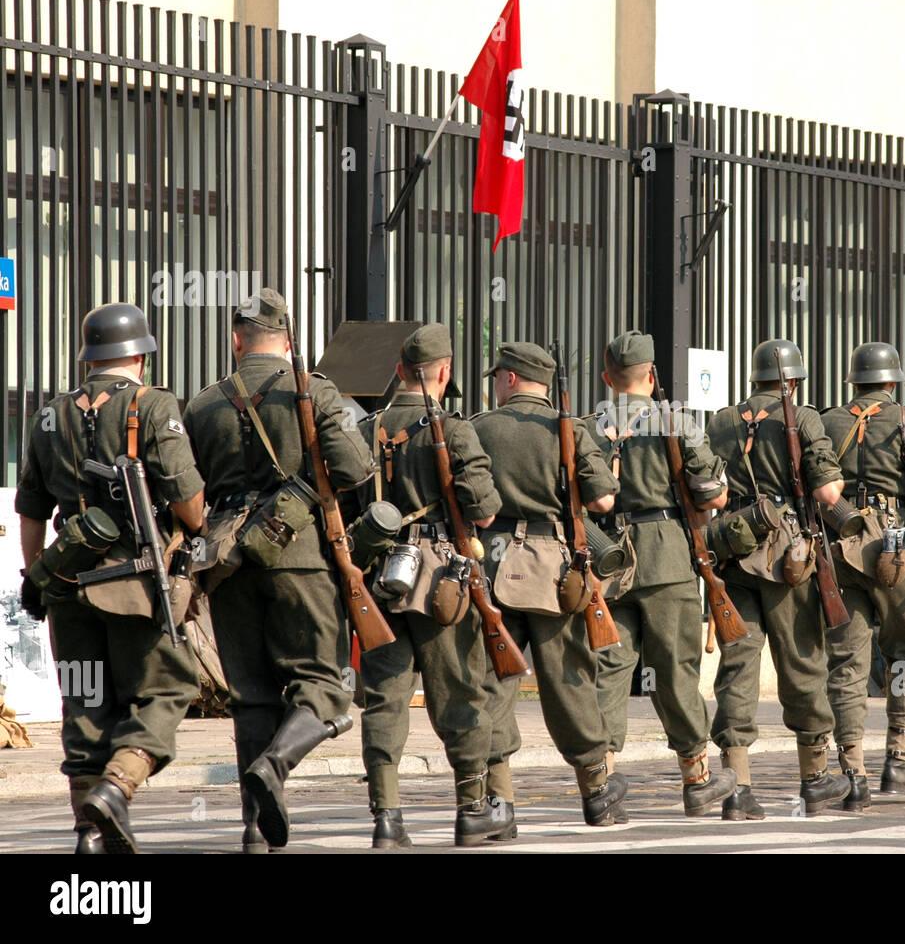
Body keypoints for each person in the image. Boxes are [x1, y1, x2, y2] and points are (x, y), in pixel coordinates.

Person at [183, 289, 374, 851]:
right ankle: (274, 766)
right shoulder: (312, 390)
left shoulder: (201, 404)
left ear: (237, 340)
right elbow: (356, 467)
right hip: (301, 559)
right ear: (288, 340)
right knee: (322, 687)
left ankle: (252, 830)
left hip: (228, 562)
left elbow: (186, 488)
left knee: (252, 695)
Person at [16, 303, 205, 853]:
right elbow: (187, 498)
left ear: (89, 357)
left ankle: (87, 835)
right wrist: (194, 522)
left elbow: (30, 511)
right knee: (166, 691)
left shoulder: (49, 415)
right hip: (135, 589)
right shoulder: (153, 404)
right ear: (142, 355)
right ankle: (117, 789)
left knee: (85, 706)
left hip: (67, 590)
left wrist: (38, 577)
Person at [348, 323, 512, 846]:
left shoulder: (364, 428)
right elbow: (484, 513)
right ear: (445, 372)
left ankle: (387, 818)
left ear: (398, 372)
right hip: (442, 579)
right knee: (461, 693)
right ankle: (471, 809)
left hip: (380, 580)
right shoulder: (455, 428)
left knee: (385, 700)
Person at [584, 331, 737, 816]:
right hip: (666, 559)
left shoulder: (591, 426)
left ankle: (600, 783)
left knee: (609, 670)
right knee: (674, 672)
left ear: (607, 379)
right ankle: (697, 777)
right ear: (652, 375)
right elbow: (714, 495)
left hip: (608, 561)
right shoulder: (677, 422)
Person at [472, 342, 625, 826]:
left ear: (512, 378)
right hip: (553, 572)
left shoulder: (478, 427)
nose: (495, 383)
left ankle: (498, 800)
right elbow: (602, 503)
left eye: (498, 375)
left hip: (491, 568)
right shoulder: (570, 429)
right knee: (569, 682)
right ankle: (596, 788)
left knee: (496, 680)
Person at [705, 338, 849, 819]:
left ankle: (738, 787)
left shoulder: (723, 420)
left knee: (737, 666)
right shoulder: (804, 417)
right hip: (790, 558)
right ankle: (815, 778)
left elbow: (708, 492)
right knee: (803, 663)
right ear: (793, 379)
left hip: (733, 552)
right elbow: (828, 491)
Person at [820, 343, 905, 805]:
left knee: (847, 663)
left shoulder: (829, 419)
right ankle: (898, 760)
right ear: (893, 381)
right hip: (895, 549)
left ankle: (851, 772)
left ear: (854, 381)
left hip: (840, 547)